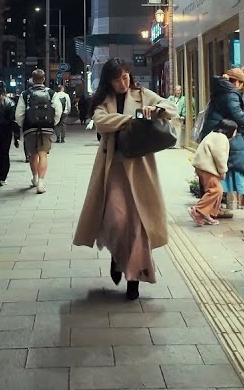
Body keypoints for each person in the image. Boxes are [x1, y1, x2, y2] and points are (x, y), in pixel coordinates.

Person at [73, 58, 178, 300]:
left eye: (126, 76)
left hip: (140, 168)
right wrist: (133, 119)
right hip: (114, 168)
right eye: (118, 78)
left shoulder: (142, 94)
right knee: (117, 220)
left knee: (138, 225)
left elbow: (171, 109)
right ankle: (117, 258)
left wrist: (156, 110)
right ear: (109, 81)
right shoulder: (104, 101)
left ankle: (134, 278)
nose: (123, 82)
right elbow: (101, 122)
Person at [198, 68, 244, 218]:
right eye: (241, 83)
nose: (242, 87)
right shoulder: (230, 94)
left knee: (217, 170)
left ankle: (215, 207)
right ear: (236, 82)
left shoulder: (222, 89)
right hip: (225, 133)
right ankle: (210, 209)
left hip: (217, 131)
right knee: (234, 166)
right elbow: (238, 116)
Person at [16, 70, 62, 194]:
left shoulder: (25, 94)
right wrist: (53, 123)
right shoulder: (52, 93)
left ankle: (35, 178)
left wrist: (23, 126)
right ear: (44, 79)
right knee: (43, 155)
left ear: (32, 79)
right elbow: (58, 111)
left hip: (30, 128)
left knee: (33, 155)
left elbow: (19, 114)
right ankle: (41, 183)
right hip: (46, 128)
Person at [190, 120, 236, 227]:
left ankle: (206, 214)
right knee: (216, 191)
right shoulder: (221, 138)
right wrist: (222, 171)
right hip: (207, 167)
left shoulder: (214, 134)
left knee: (213, 191)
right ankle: (197, 210)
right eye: (234, 130)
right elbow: (220, 157)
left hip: (203, 166)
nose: (235, 133)